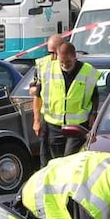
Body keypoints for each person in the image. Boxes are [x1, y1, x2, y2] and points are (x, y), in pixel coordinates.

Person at [30, 34, 99, 163]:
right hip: (54, 124)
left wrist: (93, 114)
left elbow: (94, 95)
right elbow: (37, 95)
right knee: (56, 161)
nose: (64, 65)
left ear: (74, 57)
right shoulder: (48, 69)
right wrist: (37, 120)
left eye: (68, 62)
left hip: (77, 125)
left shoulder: (87, 72)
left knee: (69, 159)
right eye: (61, 62)